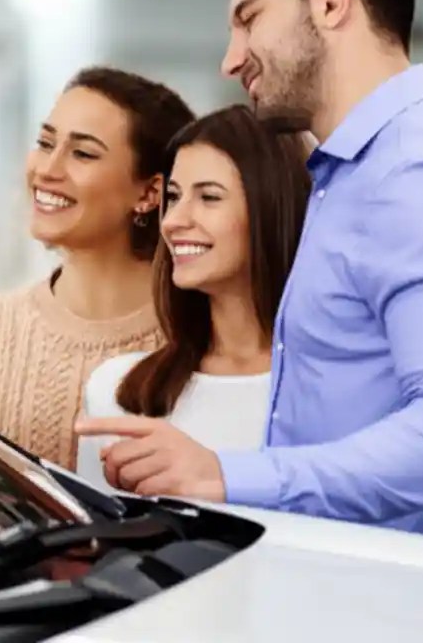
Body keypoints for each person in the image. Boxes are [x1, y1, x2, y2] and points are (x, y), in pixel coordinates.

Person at [77, 0, 423, 542]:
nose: (231, 57)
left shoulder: (415, 173)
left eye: (250, 18)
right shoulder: (347, 178)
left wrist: (229, 476)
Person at [0, 67, 195, 472]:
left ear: (149, 192)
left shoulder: (198, 339)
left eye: (83, 153)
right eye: (45, 143)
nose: (47, 169)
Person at [76, 105, 312, 492]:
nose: (172, 221)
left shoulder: (340, 394)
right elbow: (96, 545)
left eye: (209, 198)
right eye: (173, 196)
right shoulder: (116, 392)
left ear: (271, 209)